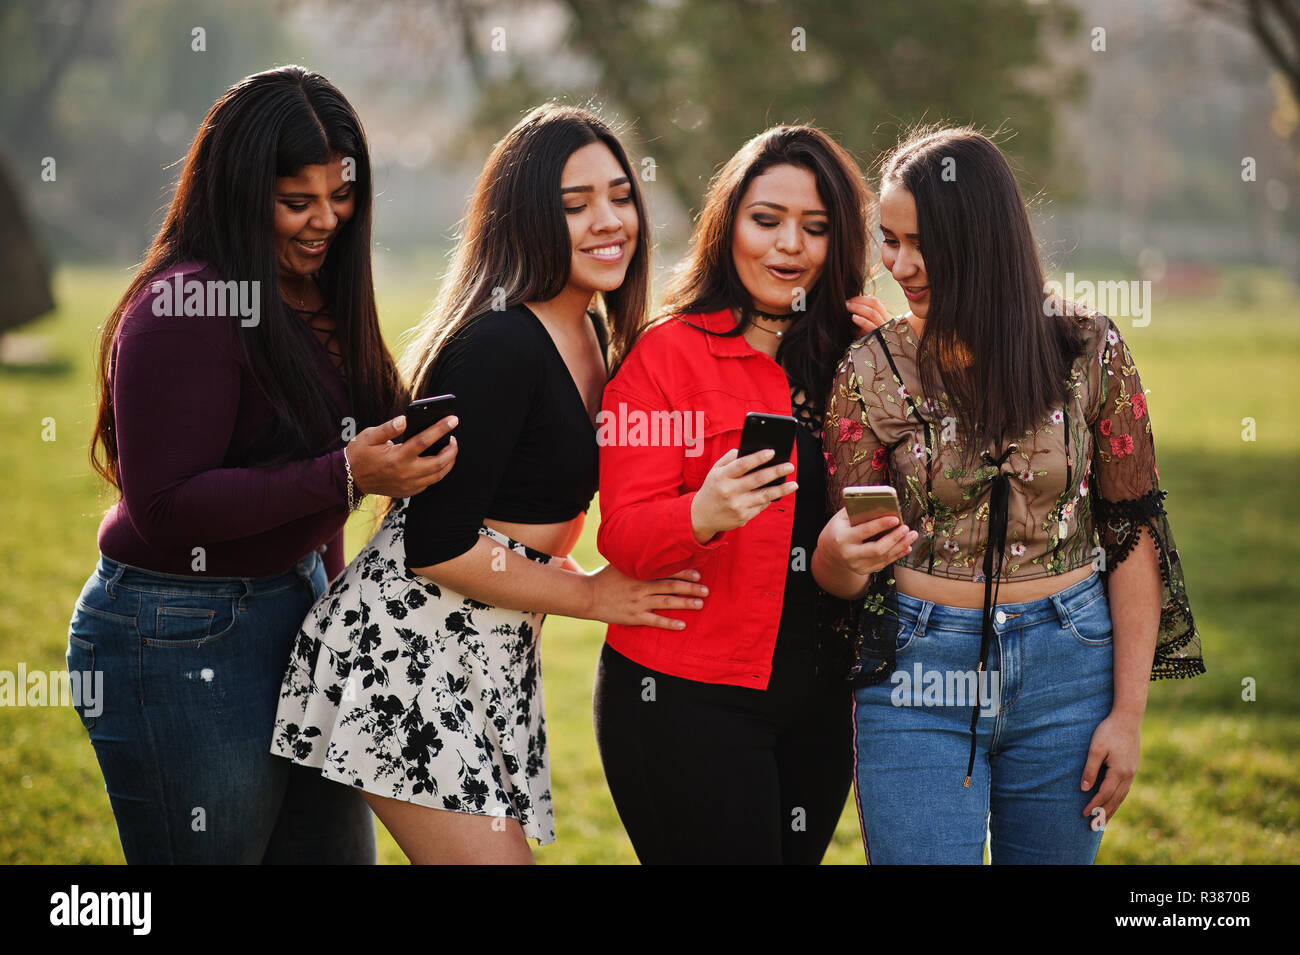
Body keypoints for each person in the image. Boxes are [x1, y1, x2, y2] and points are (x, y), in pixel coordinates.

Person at [271, 103, 709, 865]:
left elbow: (514, 508)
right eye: (576, 206)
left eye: (619, 194)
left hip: (487, 649)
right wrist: (591, 595)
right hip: (406, 652)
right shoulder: (502, 343)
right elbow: (436, 544)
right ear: (527, 217)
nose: (610, 220)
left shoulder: (589, 329)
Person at [66, 66, 457, 864]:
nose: (325, 221)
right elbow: (167, 505)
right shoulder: (185, 306)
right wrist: (345, 475)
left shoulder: (317, 292)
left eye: (340, 197)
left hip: (297, 604)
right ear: (241, 191)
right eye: (296, 201)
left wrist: (336, 604)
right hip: (180, 633)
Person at [818, 125, 1204, 865]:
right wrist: (840, 553)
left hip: (1069, 669)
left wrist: (1128, 715)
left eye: (921, 242)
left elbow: (1131, 535)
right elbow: (844, 575)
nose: (900, 264)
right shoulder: (869, 366)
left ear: (982, 238)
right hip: (918, 674)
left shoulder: (1088, 349)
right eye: (889, 240)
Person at [592, 125, 892, 864]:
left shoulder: (859, 359)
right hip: (684, 697)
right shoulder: (665, 354)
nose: (789, 244)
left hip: (823, 701)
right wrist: (703, 512)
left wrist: (899, 372)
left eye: (815, 228)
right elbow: (624, 535)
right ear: (728, 225)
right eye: (767, 220)